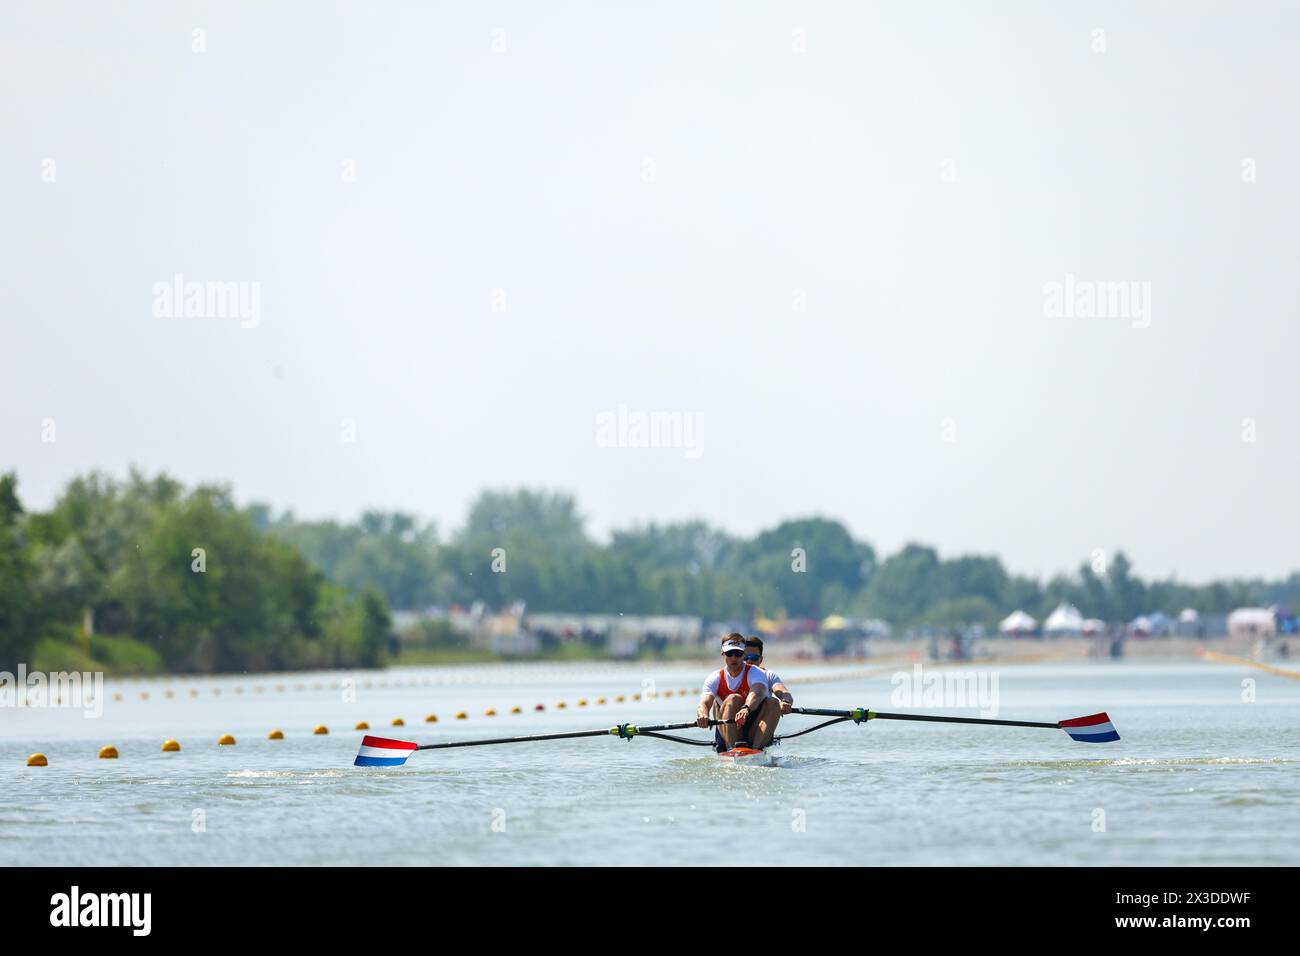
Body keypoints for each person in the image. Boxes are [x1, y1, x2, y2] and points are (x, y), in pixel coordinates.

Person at [696, 633, 776, 751]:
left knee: (773, 702)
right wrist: (703, 715)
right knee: (733, 698)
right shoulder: (714, 677)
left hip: (753, 728)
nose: (734, 658)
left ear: (743, 654)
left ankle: (755, 749)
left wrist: (746, 708)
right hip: (727, 728)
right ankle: (732, 749)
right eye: (729, 654)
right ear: (722, 654)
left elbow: (757, 692)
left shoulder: (756, 672)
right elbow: (704, 703)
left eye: (738, 654)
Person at [742, 636, 793, 716]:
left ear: (760, 659)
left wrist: (785, 701)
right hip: (734, 720)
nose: (749, 661)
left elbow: (784, 692)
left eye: (754, 657)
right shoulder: (730, 673)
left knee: (773, 701)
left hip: (759, 719)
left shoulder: (768, 675)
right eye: (745, 657)